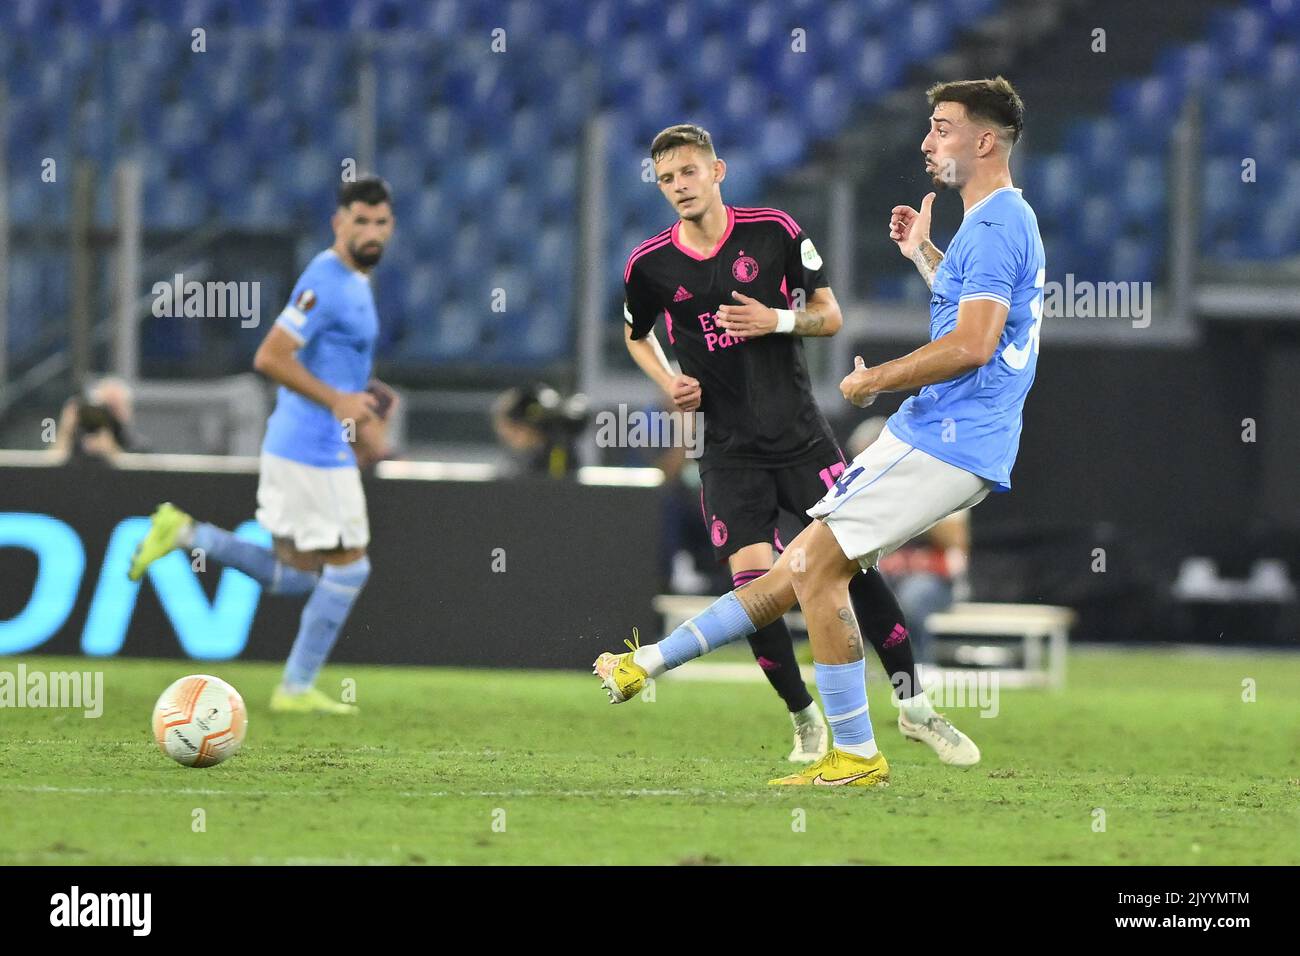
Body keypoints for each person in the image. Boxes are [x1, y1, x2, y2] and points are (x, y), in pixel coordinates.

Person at [597, 77, 1041, 785]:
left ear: (983, 141)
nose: (926, 142)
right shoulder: (991, 224)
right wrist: (925, 256)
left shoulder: (992, 226)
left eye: (941, 128)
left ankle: (869, 739)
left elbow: (974, 345)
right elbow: (976, 318)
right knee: (802, 570)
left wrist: (874, 378)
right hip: (913, 432)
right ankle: (652, 667)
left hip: (944, 435)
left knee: (816, 570)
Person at [127, 175, 397, 714]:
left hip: (306, 444)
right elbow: (270, 357)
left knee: (297, 575)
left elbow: (328, 361)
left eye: (381, 222)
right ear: (338, 223)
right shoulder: (326, 279)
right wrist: (339, 403)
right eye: (360, 220)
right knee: (351, 567)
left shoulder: (356, 281)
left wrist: (359, 397)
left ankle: (184, 532)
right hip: (313, 449)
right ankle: (295, 688)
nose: (371, 231)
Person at [850, 416, 972, 665]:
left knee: (912, 598)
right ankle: (863, 666)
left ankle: (918, 667)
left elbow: (956, 543)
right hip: (888, 570)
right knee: (856, 590)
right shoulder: (863, 487)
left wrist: (912, 503)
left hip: (934, 577)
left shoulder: (939, 480)